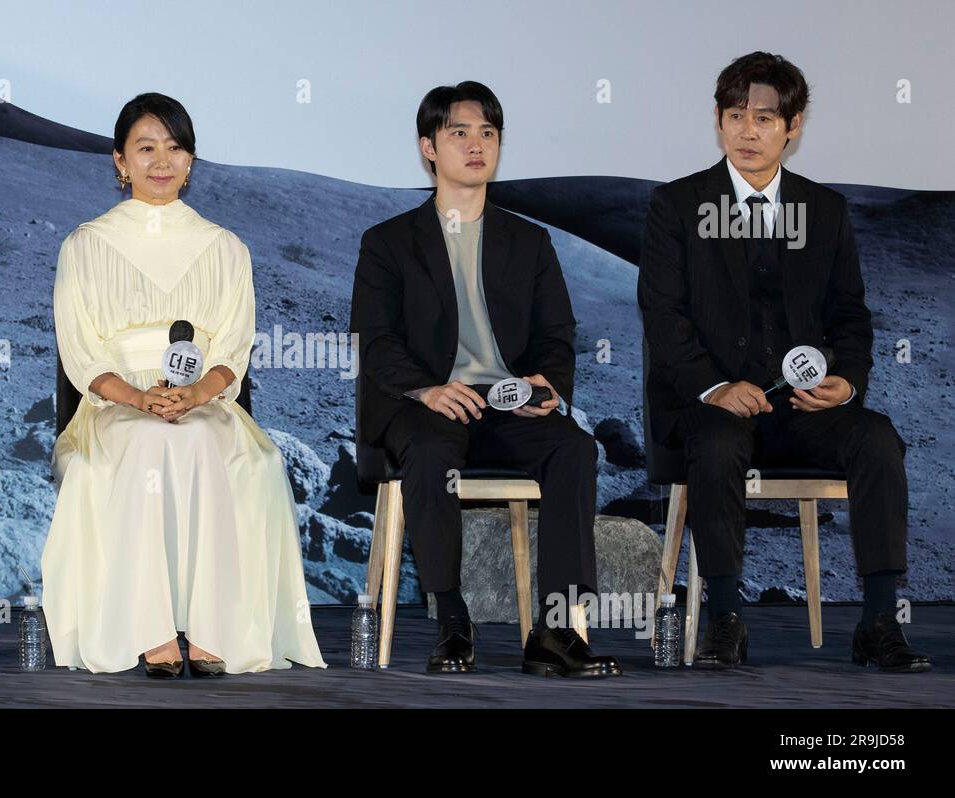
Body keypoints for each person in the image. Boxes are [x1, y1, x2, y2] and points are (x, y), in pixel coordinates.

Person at [637, 51, 929, 672]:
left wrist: (846, 382)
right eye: (736, 115)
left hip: (802, 407)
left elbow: (850, 315)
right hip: (711, 407)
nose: (748, 130)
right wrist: (715, 386)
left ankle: (879, 622)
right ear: (718, 121)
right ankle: (723, 621)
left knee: (878, 439)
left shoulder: (825, 211)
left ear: (792, 127)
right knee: (716, 448)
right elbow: (663, 317)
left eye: (765, 118)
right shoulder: (676, 206)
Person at [40, 93, 326, 678]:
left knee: (200, 439)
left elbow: (231, 351)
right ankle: (150, 632)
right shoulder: (86, 244)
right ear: (120, 161)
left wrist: (194, 396)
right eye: (146, 148)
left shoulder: (224, 247)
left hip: (203, 399)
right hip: (114, 402)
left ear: (191, 162)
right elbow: (82, 352)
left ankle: (211, 628)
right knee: (149, 441)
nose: (161, 161)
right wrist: (140, 398)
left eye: (175, 147)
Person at [350, 81, 621, 677]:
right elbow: (376, 339)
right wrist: (425, 389)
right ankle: (452, 619)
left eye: (488, 133)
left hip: (504, 404)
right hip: (423, 403)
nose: (477, 145)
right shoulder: (389, 242)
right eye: (459, 133)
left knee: (574, 448)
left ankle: (553, 630)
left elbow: (558, 333)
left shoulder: (528, 241)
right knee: (426, 450)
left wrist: (546, 387)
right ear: (428, 147)